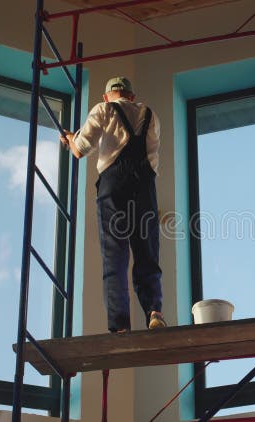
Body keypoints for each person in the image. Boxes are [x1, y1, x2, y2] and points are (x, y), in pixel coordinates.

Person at [60, 76, 165, 333]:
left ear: (107, 96)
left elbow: (80, 149)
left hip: (114, 186)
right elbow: (148, 151)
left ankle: (120, 326)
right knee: (147, 252)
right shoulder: (150, 115)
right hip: (145, 187)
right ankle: (154, 312)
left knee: (115, 255)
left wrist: (71, 139)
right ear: (131, 96)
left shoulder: (103, 109)